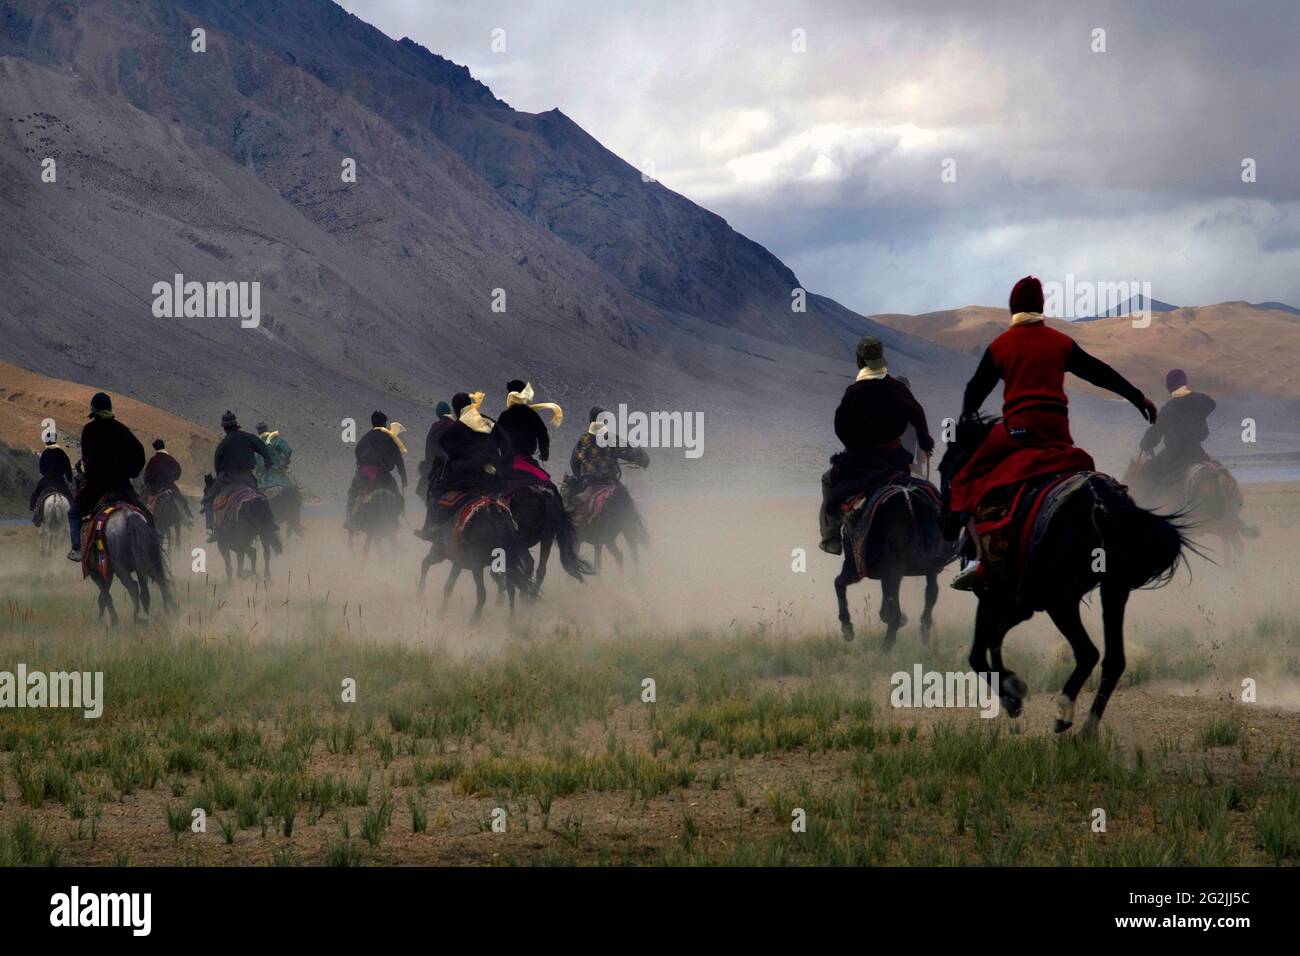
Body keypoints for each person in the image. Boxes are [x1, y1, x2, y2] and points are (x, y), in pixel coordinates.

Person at [946, 276, 1156, 590]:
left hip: (1017, 430)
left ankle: (975, 559)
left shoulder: (1001, 345)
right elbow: (1099, 372)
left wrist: (966, 419)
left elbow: (975, 390)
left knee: (967, 477)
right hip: (1056, 432)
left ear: (1013, 307)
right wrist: (1137, 396)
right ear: (1041, 305)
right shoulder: (1060, 342)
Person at [818, 338, 935, 555]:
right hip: (895, 458)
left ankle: (831, 537)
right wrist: (926, 440)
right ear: (882, 359)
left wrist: (854, 445)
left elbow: (840, 426)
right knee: (927, 489)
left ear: (859, 361)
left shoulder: (854, 392)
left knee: (828, 480)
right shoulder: (898, 388)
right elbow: (917, 413)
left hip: (861, 462)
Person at [421, 392, 510, 559]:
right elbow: (507, 445)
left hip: (463, 480)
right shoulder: (488, 421)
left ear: (455, 410)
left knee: (435, 493)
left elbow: (444, 453)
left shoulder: (455, 428)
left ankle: (431, 529)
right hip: (491, 480)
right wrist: (499, 467)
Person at [67, 392, 148, 561]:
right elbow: (140, 454)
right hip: (122, 486)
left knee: (74, 512)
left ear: (93, 409)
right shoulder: (122, 429)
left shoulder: (89, 430)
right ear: (110, 408)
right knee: (147, 515)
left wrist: (90, 473)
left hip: (97, 487)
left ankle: (77, 549)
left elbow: (87, 459)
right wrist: (130, 472)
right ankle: (154, 549)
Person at [1137, 369, 1216, 499]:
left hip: (1175, 454)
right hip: (1197, 451)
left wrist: (1145, 444)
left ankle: (1149, 505)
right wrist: (1198, 414)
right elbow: (1211, 404)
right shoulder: (1200, 399)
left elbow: (1156, 432)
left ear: (1169, 387)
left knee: (1149, 472)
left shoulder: (1169, 408)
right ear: (1185, 383)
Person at [202, 411, 274, 541]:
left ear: (224, 427)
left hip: (228, 479)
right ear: (237, 425)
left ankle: (212, 529)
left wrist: (221, 480)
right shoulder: (249, 437)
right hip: (248, 478)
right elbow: (263, 447)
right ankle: (270, 523)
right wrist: (268, 461)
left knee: (207, 500)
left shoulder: (223, 444)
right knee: (261, 497)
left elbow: (218, 466)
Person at [565, 405, 648, 500]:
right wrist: (642, 460)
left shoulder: (583, 441)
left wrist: (578, 476)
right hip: (610, 481)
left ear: (591, 420)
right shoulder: (611, 438)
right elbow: (631, 453)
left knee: (570, 502)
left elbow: (574, 463)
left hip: (588, 483)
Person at [496, 379, 564, 492]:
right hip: (526, 459)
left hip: (507, 461)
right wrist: (544, 452)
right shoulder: (531, 414)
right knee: (548, 485)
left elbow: (497, 438)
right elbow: (542, 433)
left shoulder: (505, 416)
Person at [344, 411, 407, 531]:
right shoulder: (389, 438)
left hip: (363, 476)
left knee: (352, 494)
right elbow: (399, 460)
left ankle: (349, 520)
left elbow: (357, 452)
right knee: (398, 497)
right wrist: (404, 478)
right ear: (384, 423)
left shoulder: (365, 438)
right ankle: (394, 520)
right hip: (382, 475)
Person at [414, 401, 456, 541]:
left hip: (443, 470)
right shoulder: (457, 426)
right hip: (464, 469)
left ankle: (429, 527)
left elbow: (431, 450)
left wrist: (431, 467)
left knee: (431, 494)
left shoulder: (436, 427)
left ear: (438, 414)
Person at [30, 437, 73, 527]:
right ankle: (72, 516)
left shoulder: (45, 453)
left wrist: (46, 473)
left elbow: (41, 469)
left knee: (37, 493)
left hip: (47, 480)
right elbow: (68, 467)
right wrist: (69, 479)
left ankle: (36, 514)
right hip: (59, 480)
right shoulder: (61, 453)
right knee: (69, 497)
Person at [254, 422, 297, 493]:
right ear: (266, 429)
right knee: (292, 490)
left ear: (258, 431)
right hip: (279, 476)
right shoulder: (275, 439)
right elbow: (288, 450)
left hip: (263, 480)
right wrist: (286, 460)